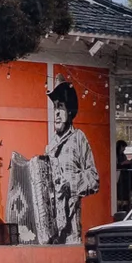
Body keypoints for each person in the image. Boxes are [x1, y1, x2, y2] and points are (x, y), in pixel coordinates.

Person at [40, 81, 99, 244]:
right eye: (55, 108)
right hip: (52, 231)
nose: (57, 113)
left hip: (71, 230)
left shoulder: (79, 138)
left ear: (69, 111)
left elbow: (93, 178)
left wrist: (69, 184)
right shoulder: (50, 145)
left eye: (61, 107)